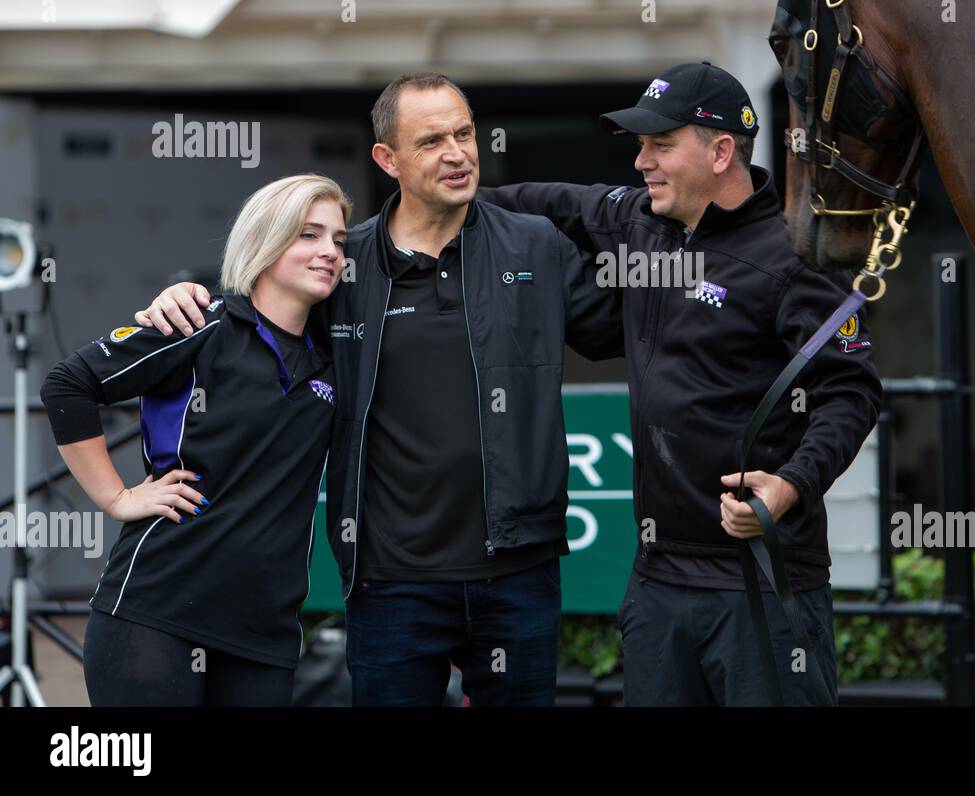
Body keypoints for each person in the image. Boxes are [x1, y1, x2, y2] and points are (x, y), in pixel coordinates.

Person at [132, 74, 621, 706]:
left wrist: (669, 244)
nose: (457, 152)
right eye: (431, 140)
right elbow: (254, 317)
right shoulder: (342, 266)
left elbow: (625, 330)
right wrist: (186, 293)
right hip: (391, 581)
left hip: (518, 573)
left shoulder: (534, 245)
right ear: (387, 159)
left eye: (465, 133)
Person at [477, 61, 884, 705]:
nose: (642, 162)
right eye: (641, 145)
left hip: (763, 582)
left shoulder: (796, 255)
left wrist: (791, 486)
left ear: (721, 150)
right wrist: (442, 204)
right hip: (658, 582)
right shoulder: (637, 220)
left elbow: (851, 391)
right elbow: (546, 203)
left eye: (661, 145)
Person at [41, 173, 350, 706]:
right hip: (155, 617)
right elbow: (68, 386)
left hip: (265, 635)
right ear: (267, 239)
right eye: (308, 234)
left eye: (339, 241)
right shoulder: (197, 322)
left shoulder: (337, 354)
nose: (328, 252)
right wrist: (116, 497)